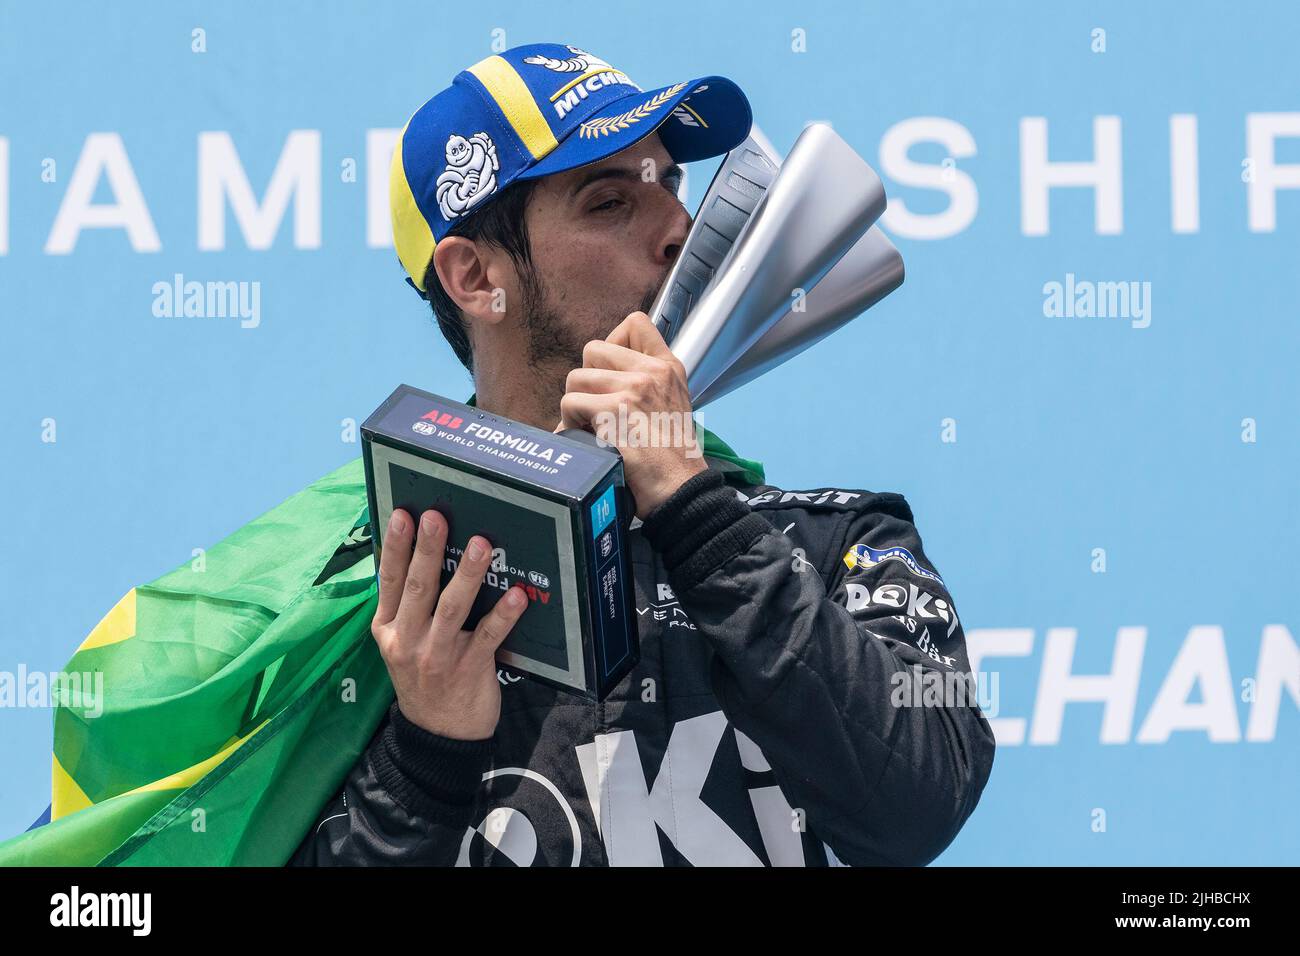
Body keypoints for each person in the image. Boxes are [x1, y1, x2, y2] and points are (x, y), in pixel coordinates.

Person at [291, 42, 995, 866]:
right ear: (477, 278)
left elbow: (919, 804)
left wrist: (696, 512)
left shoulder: (832, 543)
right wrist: (427, 753)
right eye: (609, 202)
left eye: (671, 185)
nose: (678, 230)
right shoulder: (375, 609)